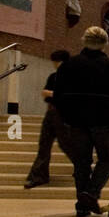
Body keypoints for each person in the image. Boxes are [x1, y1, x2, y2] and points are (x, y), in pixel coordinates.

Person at [54, 26, 109, 217]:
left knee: (81, 162)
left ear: (84, 41)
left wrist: (64, 114)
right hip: (104, 119)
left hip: (76, 120)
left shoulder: (69, 65)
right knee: (108, 158)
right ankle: (91, 193)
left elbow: (58, 93)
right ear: (105, 44)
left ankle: (82, 205)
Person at [24, 49, 71, 188]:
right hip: (51, 112)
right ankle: (39, 176)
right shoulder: (53, 77)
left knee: (66, 144)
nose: (55, 65)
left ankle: (83, 164)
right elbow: (46, 94)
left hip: (65, 114)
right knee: (44, 144)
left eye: (57, 62)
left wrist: (52, 94)